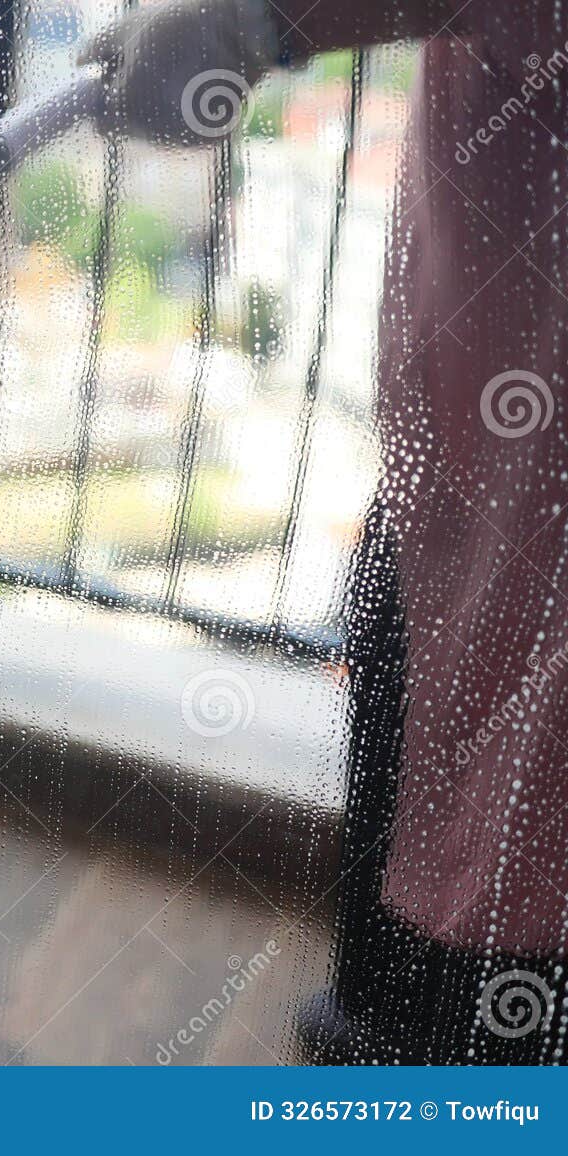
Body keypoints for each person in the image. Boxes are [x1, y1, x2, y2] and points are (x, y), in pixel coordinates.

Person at [80, 0, 568, 1063]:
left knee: (503, 843)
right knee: (412, 731)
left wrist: (254, 23)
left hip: (528, 510)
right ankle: (379, 1019)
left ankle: (421, 1058)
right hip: (474, 469)